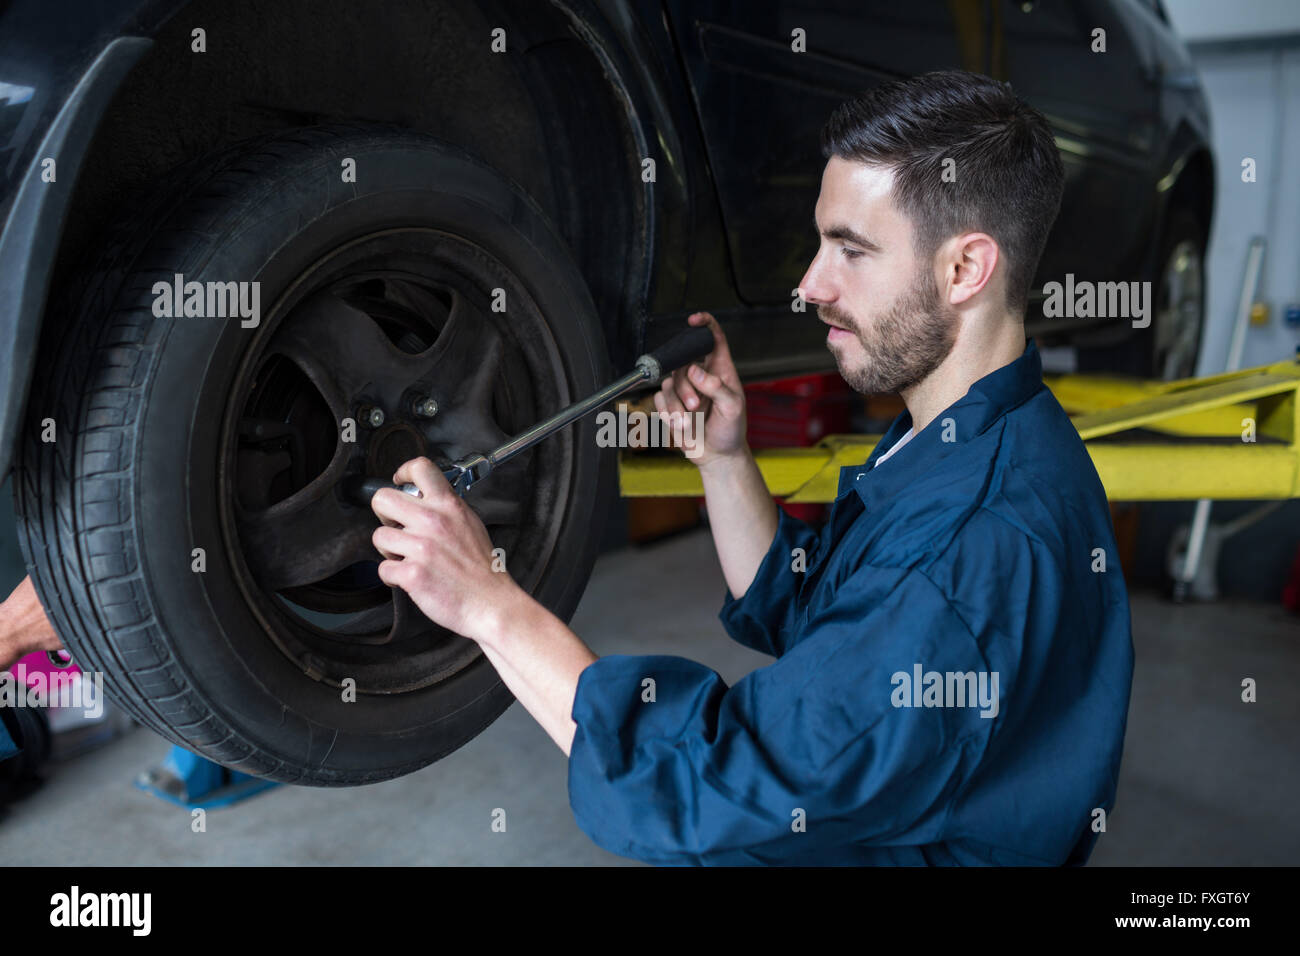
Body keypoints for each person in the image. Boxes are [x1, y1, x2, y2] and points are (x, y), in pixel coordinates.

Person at [371, 70, 1135, 865]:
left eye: (851, 249)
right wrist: (724, 460)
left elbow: (708, 785)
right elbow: (814, 612)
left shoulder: (967, 545)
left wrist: (491, 605)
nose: (809, 286)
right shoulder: (981, 435)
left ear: (963, 270)